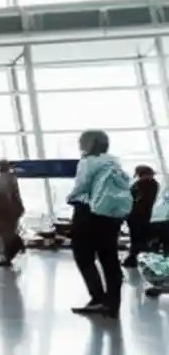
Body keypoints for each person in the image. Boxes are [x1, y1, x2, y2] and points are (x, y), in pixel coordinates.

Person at [67, 130, 130, 318]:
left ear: (91, 143)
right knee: (109, 257)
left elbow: (81, 186)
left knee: (83, 256)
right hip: (110, 215)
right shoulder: (113, 162)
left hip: (89, 213)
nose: (79, 143)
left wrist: (70, 198)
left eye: (82, 140)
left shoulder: (88, 162)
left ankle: (97, 298)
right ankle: (113, 303)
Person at [0, 160, 25, 268]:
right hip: (13, 210)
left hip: (6, 210)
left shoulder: (4, 178)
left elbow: (7, 195)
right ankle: (13, 248)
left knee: (1, 232)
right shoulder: (11, 177)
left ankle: (8, 255)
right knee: (5, 232)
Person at [125, 165, 159, 267]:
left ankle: (135, 258)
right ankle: (138, 257)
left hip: (139, 217)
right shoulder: (151, 185)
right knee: (141, 239)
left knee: (138, 239)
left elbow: (137, 200)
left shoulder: (143, 185)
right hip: (141, 217)